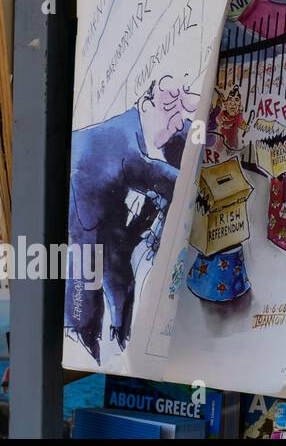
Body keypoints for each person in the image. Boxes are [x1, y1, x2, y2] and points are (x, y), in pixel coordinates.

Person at [66, 76, 197, 362]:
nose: (176, 122)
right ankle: (85, 338)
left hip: (107, 217)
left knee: (118, 273)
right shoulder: (124, 137)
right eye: (170, 111)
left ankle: (116, 335)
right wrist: (194, 184)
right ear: (147, 105)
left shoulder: (142, 130)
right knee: (85, 289)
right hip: (84, 218)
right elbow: (151, 173)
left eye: (179, 115)